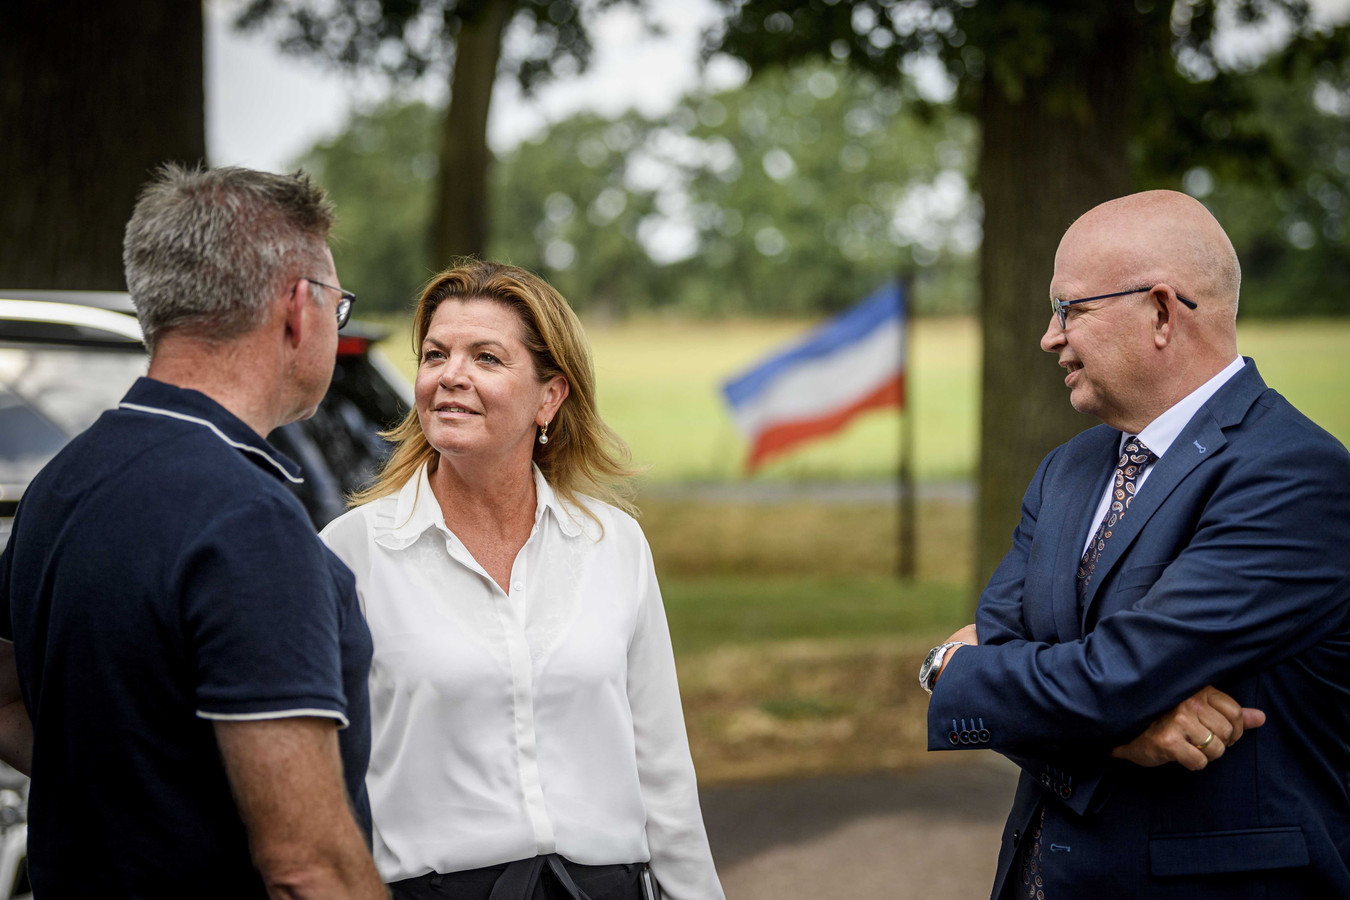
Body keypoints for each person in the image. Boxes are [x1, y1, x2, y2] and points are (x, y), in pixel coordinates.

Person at [921, 190, 1350, 898]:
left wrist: (948, 670)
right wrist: (1120, 732)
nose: (1049, 337)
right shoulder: (1070, 466)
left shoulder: (1295, 475)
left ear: (1159, 310)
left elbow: (1115, 675)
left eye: (1070, 309)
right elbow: (1037, 657)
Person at [0, 165, 384, 899]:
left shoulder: (64, 480)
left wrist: (142, 797)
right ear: (298, 309)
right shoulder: (247, 521)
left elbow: (3, 697)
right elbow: (308, 865)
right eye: (338, 307)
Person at [320, 261, 724, 900]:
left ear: (549, 397)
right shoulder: (351, 551)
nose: (451, 375)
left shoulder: (611, 543)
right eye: (434, 355)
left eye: (486, 357)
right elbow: (322, 785)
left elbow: (663, 767)